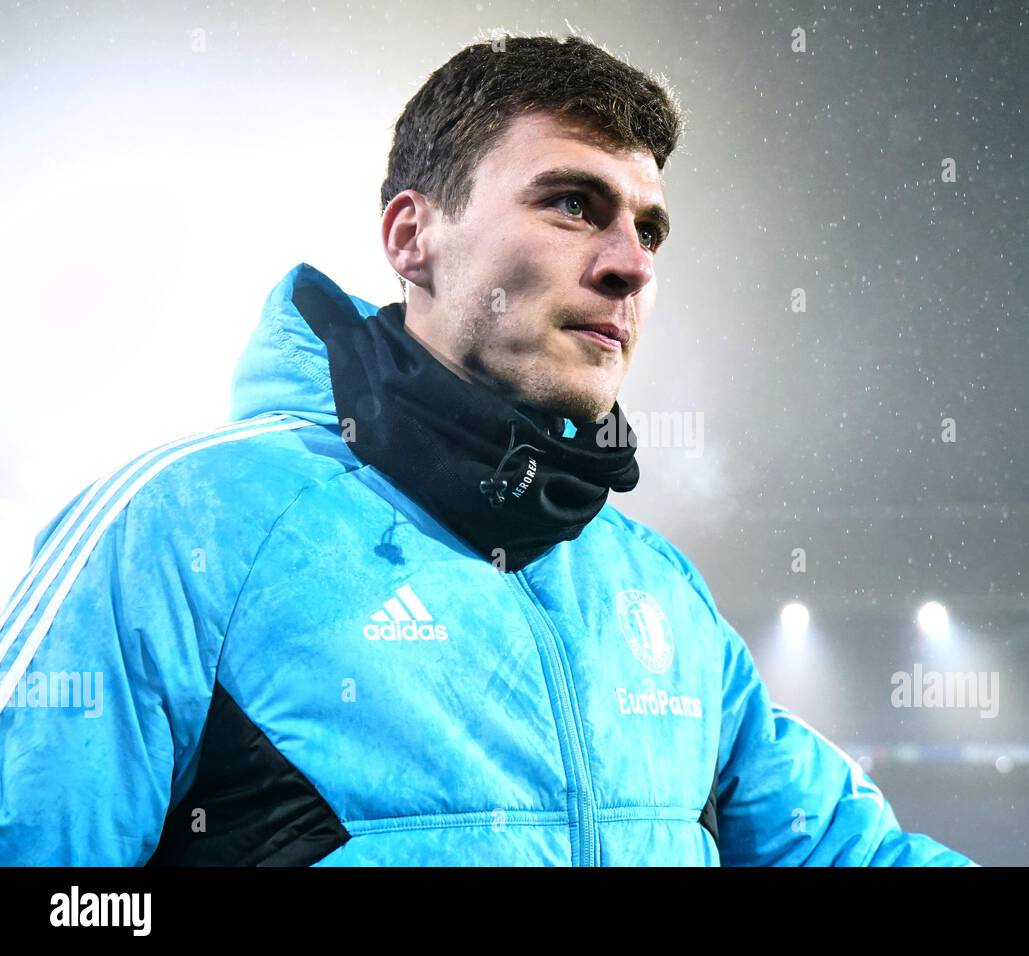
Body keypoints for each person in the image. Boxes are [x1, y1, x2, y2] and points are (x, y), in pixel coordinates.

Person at [0, 32, 975, 867]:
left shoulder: (658, 591)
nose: (631, 263)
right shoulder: (179, 528)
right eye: (571, 204)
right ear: (412, 236)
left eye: (649, 228)